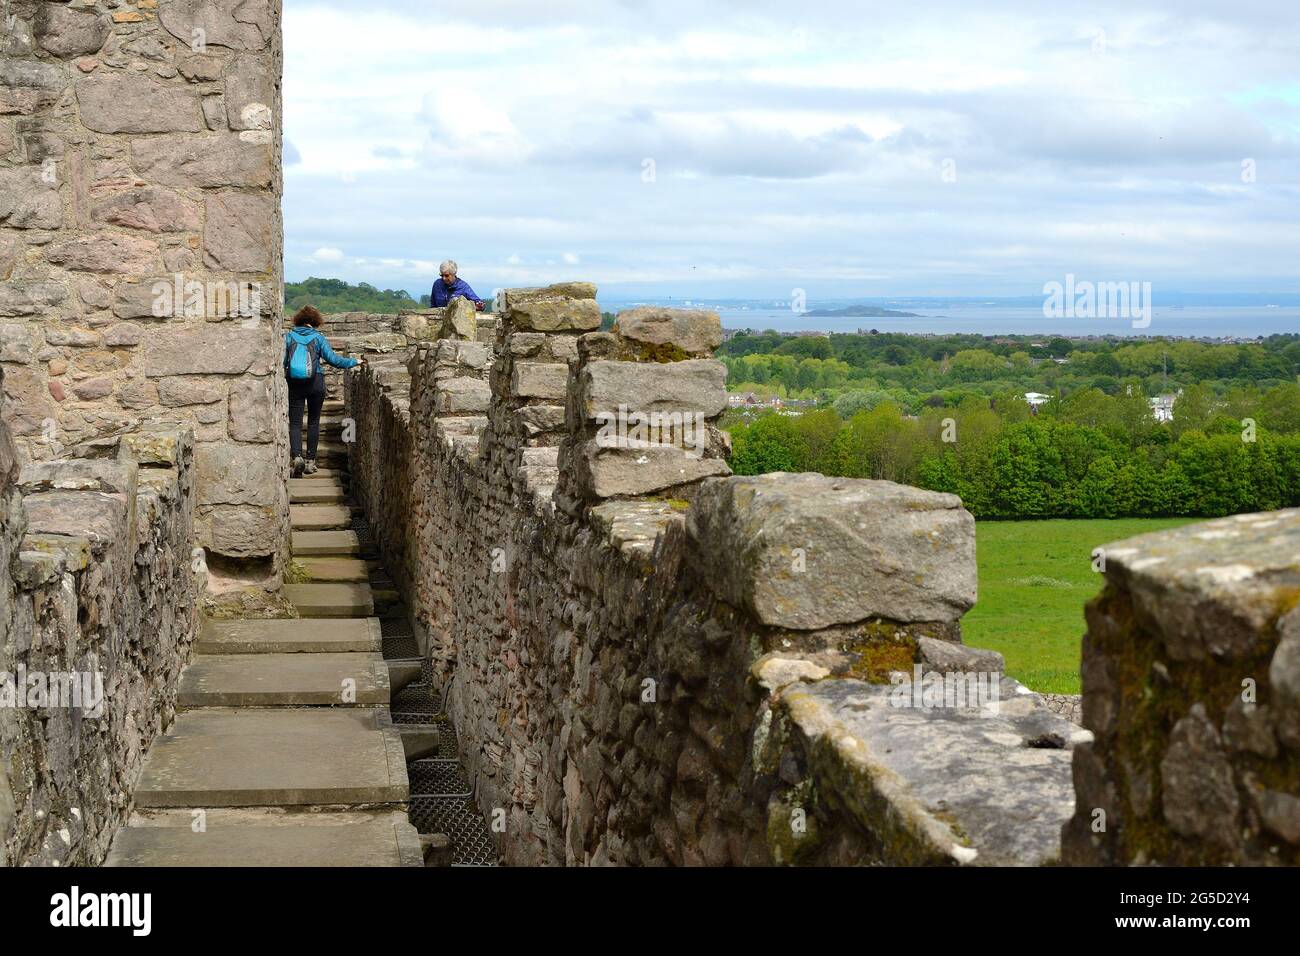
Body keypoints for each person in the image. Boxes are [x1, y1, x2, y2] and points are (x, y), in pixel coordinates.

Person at [283, 305, 363, 477]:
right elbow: (334, 360)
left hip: (294, 384)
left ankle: (297, 457)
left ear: (298, 320)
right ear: (315, 321)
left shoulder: (289, 337)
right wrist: (354, 361)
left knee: (295, 423)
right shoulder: (318, 338)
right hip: (316, 383)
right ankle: (311, 462)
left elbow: (282, 362)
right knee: (313, 422)